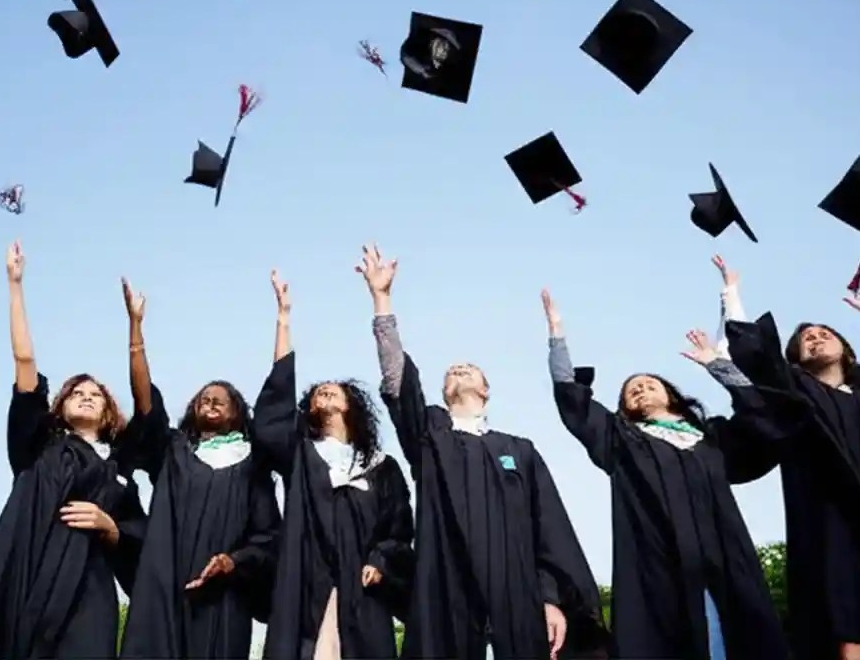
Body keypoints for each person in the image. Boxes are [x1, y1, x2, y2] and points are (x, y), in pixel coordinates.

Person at [358, 244, 607, 660]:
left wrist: (550, 598)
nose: (457, 369)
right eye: (451, 370)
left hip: (518, 598)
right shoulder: (430, 437)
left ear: (486, 388)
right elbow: (399, 386)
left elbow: (546, 531)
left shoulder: (519, 451)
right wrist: (382, 300)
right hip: (446, 592)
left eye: (468, 368)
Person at [541, 287, 788, 659]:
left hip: (723, 558)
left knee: (733, 633)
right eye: (631, 390)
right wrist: (557, 335)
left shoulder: (710, 437)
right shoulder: (619, 438)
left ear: (671, 394)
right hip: (657, 564)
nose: (640, 388)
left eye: (648, 384)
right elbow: (573, 402)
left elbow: (763, 419)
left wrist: (719, 365)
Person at [0, 241, 147, 659]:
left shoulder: (119, 471)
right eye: (76, 393)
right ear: (61, 406)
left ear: (108, 411)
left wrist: (111, 527)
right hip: (25, 570)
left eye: (95, 394)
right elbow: (25, 360)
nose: (86, 397)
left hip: (88, 587)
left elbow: (137, 537)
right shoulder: (37, 447)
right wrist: (15, 285)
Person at [725, 281, 860, 660]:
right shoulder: (796, 395)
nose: (815, 339)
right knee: (852, 625)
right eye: (807, 338)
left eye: (824, 333)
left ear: (846, 350)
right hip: (832, 522)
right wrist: (731, 294)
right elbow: (758, 362)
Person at [117, 276, 282, 659]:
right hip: (163, 588)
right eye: (204, 398)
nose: (210, 401)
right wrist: (136, 329)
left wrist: (232, 561)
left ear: (238, 413)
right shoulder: (174, 450)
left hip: (224, 600)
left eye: (221, 399)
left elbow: (266, 537)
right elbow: (144, 402)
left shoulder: (252, 465)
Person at [253, 270, 414, 660]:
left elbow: (398, 531)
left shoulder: (380, 467)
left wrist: (379, 561)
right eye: (317, 393)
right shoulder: (302, 454)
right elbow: (273, 410)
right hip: (306, 585)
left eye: (335, 391)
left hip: (362, 592)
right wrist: (284, 318)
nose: (325, 392)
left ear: (351, 406)